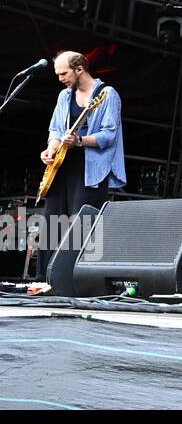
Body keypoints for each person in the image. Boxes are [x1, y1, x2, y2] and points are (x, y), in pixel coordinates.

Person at [37, 51, 126, 276]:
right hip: (61, 164)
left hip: (90, 167)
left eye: (63, 73)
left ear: (80, 69)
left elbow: (108, 136)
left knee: (80, 225)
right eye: (57, 74)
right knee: (53, 221)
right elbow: (55, 129)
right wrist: (50, 149)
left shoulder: (107, 94)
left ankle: (73, 278)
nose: (60, 78)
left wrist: (79, 140)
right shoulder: (64, 96)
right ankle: (45, 277)